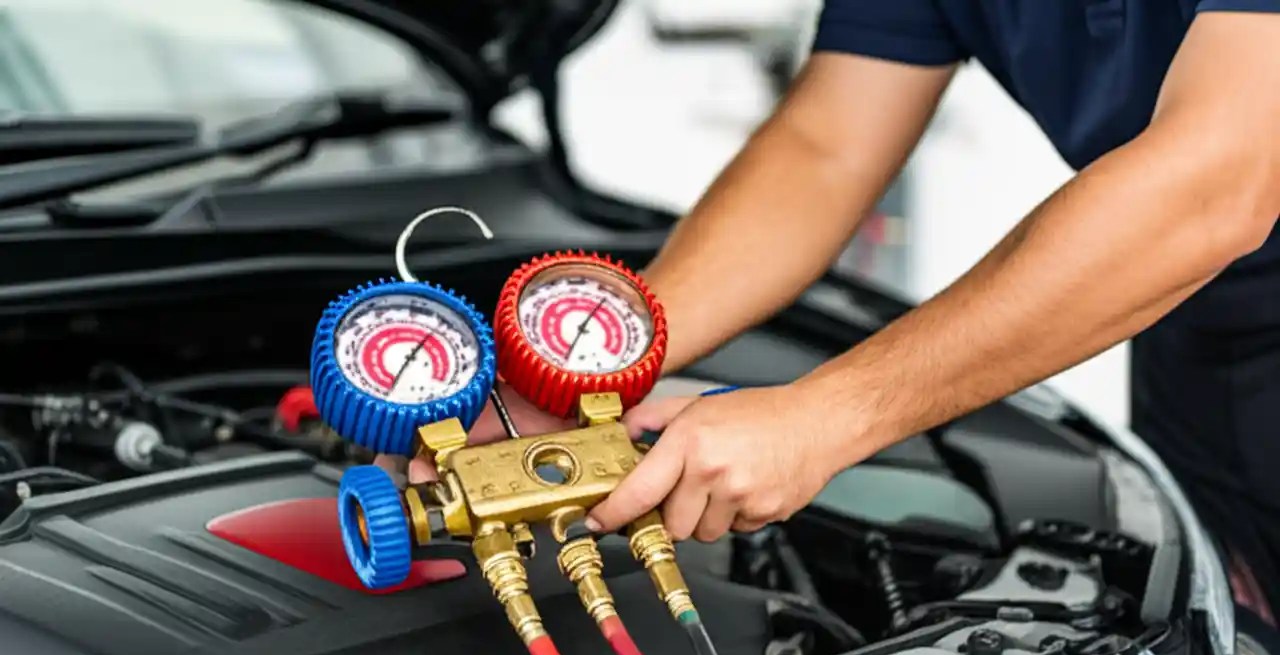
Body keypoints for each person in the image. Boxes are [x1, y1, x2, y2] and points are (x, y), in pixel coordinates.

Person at [387, 2, 1280, 618]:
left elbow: (1219, 177)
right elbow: (826, 145)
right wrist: (598, 364)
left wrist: (824, 416)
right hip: (1199, 351)